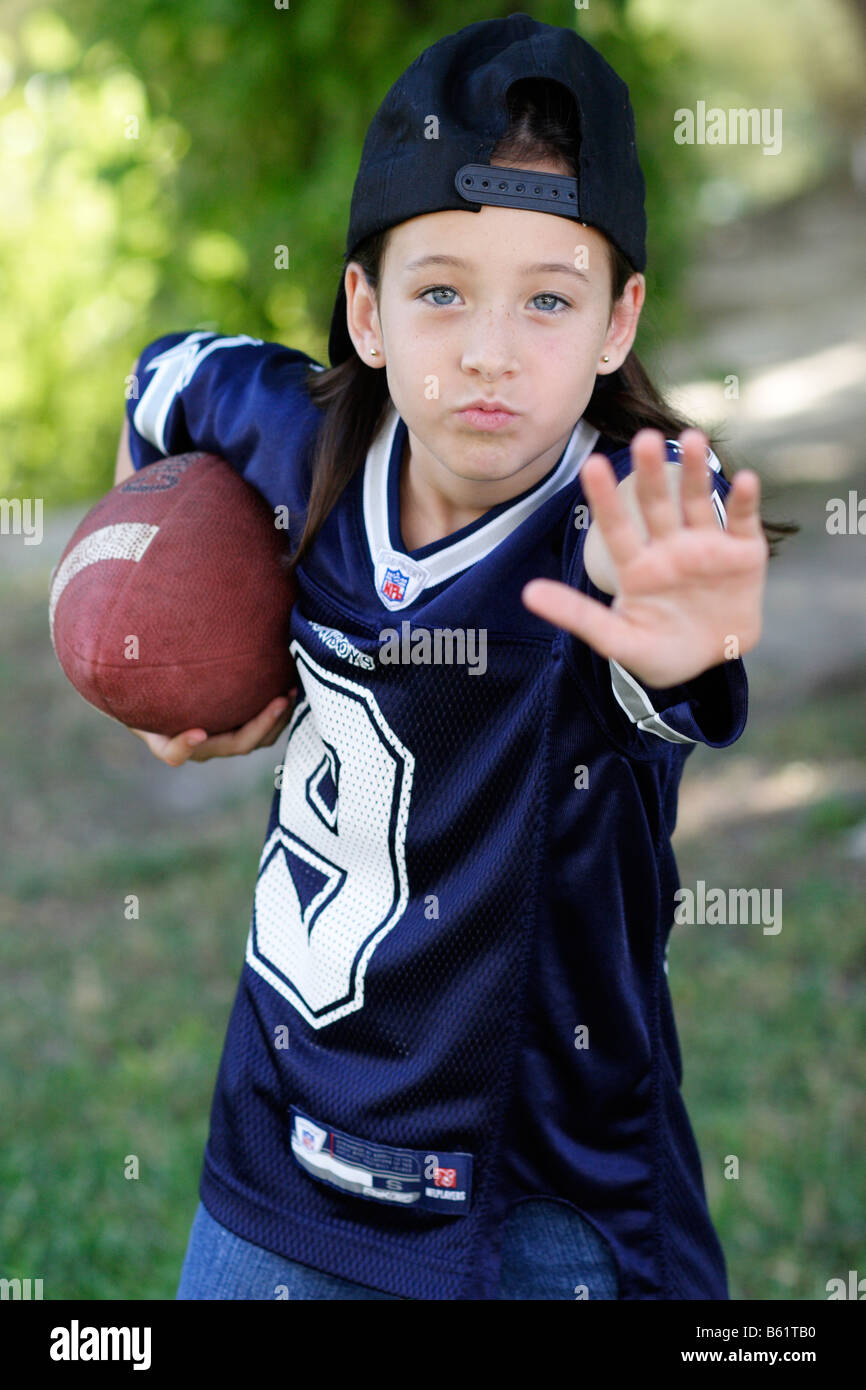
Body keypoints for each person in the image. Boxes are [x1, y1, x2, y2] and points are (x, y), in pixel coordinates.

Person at [117, 14, 770, 1299]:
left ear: (615, 321)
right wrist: (173, 643)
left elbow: (673, 663)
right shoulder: (286, 430)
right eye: (438, 292)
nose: (485, 350)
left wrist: (686, 652)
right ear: (363, 309)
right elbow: (160, 383)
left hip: (529, 1193)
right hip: (277, 1147)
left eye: (546, 298)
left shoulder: (616, 535)